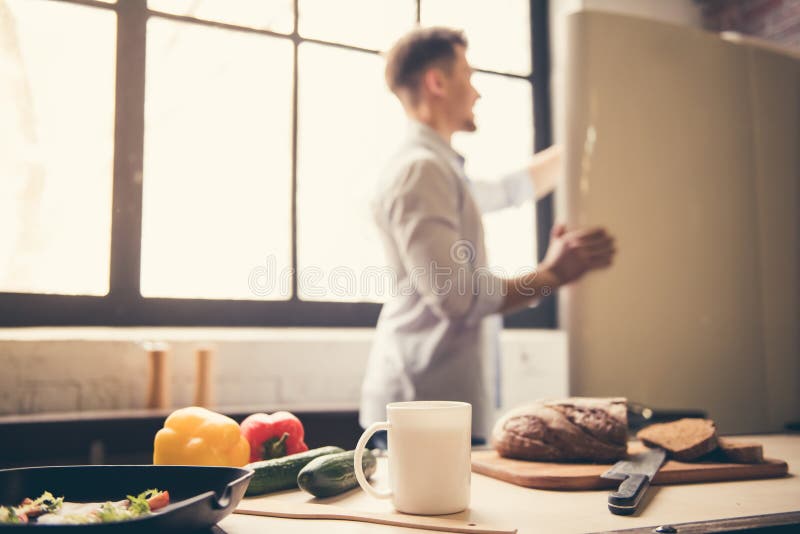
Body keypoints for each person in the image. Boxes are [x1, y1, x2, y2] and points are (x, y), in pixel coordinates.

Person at [359, 27, 616, 446]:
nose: (477, 92)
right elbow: (457, 298)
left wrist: (583, 140)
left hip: (432, 404)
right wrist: (554, 274)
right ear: (437, 82)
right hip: (422, 407)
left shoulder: (437, 170)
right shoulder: (421, 171)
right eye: (469, 75)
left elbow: (509, 190)